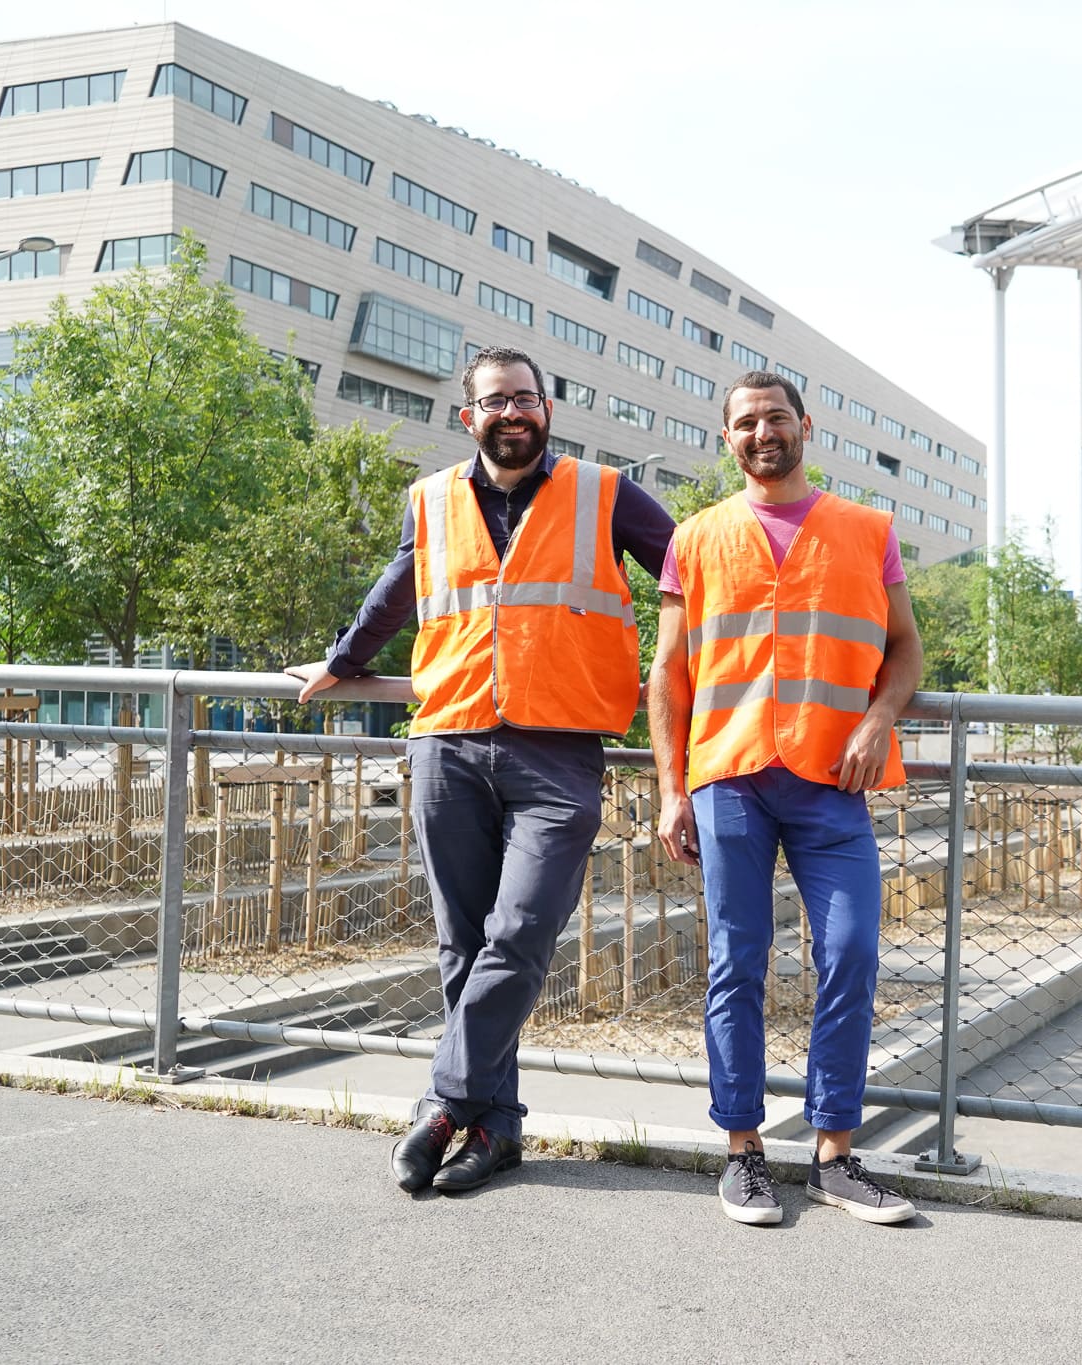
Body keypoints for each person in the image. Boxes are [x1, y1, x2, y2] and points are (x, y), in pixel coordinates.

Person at [288, 345, 674, 1195]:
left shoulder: (606, 494)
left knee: (520, 933)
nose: (513, 411)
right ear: (469, 416)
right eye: (495, 400)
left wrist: (724, 659)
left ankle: (441, 1103)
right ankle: (495, 1130)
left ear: (548, 409)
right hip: (448, 737)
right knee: (461, 943)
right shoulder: (428, 499)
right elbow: (398, 587)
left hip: (560, 750)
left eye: (526, 398)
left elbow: (690, 574)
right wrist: (345, 659)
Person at [649, 370, 924, 1227]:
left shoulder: (866, 529)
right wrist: (669, 789)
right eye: (744, 422)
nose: (761, 431)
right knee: (738, 961)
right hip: (728, 774)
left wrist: (880, 716)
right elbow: (668, 671)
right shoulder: (693, 538)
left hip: (830, 778)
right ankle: (743, 1152)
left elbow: (907, 647)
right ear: (727, 440)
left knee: (851, 951)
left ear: (805, 425)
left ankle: (836, 1155)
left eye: (775, 417)